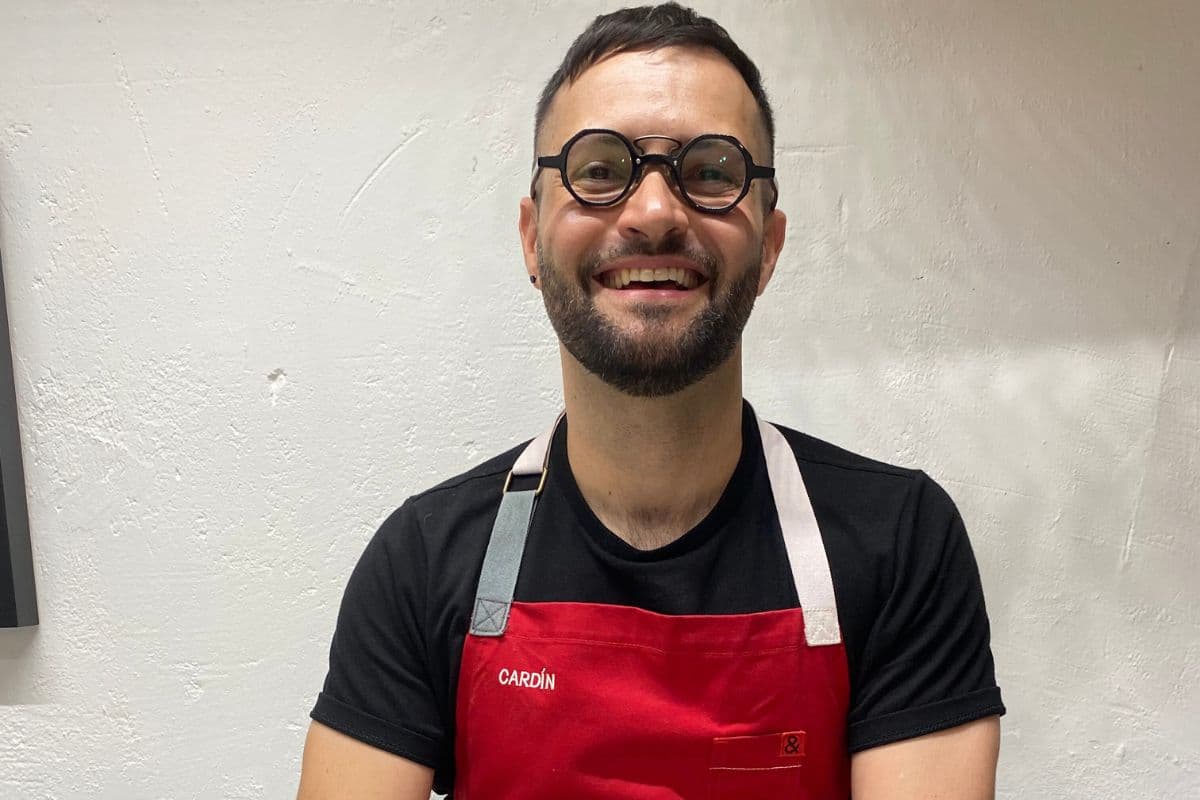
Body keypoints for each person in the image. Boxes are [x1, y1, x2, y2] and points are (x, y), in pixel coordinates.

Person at [297, 4, 1005, 798]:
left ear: (769, 246)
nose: (656, 211)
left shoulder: (900, 543)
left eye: (711, 171)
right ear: (532, 239)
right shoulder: (421, 562)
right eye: (599, 170)